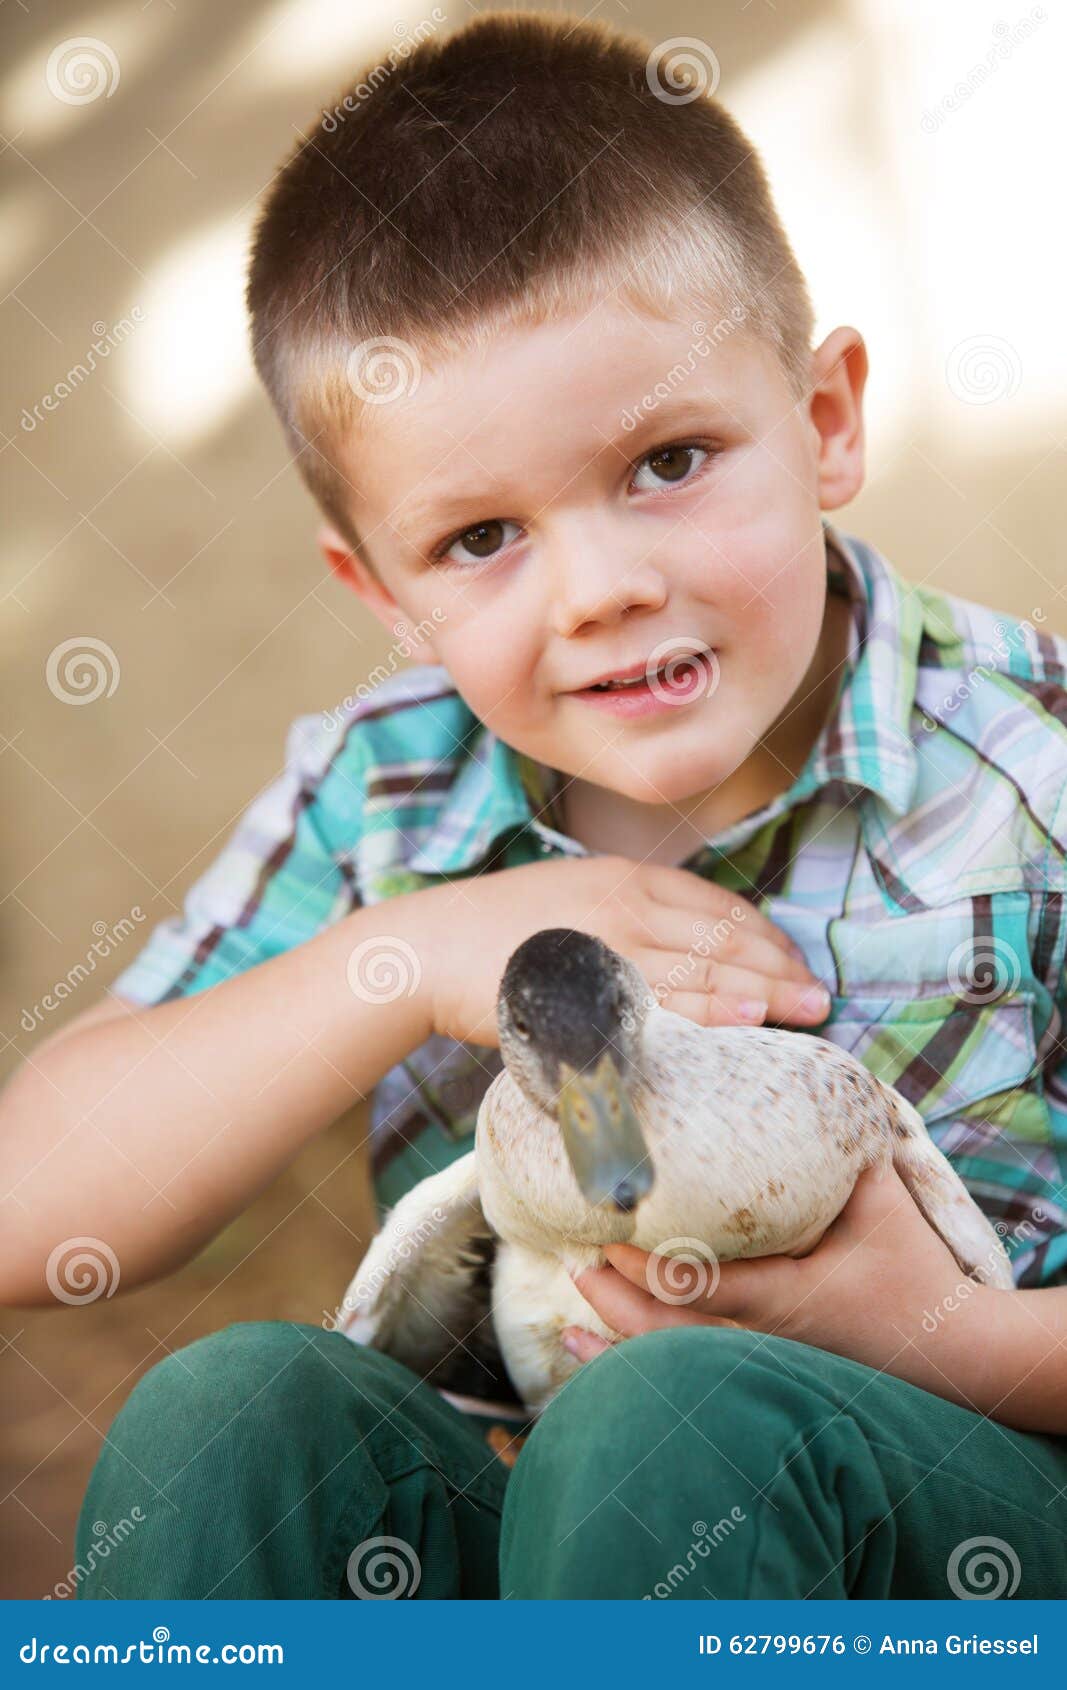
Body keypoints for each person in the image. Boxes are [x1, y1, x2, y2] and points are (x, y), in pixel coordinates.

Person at [3, 10, 1065, 1600]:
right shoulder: (388, 789)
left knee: (670, 1424)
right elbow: (33, 1203)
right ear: (384, 591)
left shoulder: (1033, 766)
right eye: (481, 539)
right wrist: (412, 959)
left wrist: (942, 1333)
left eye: (669, 460)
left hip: (968, 1541)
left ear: (826, 421)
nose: (600, 589)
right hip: (527, 1541)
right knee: (231, 1412)